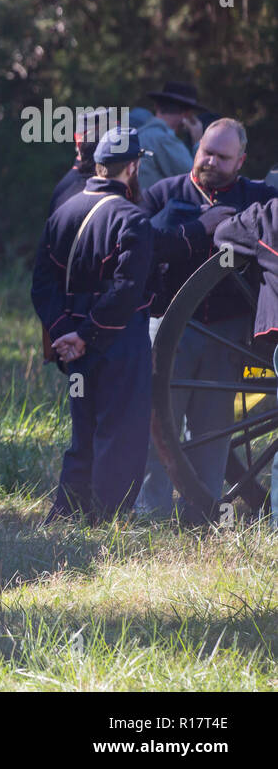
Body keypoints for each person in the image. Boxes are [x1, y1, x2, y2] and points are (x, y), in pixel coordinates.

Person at [137, 118, 274, 521]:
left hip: (228, 330)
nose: (211, 161)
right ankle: (151, 515)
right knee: (158, 425)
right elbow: (139, 245)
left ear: (241, 160)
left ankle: (202, 516)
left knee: (213, 430)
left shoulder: (258, 198)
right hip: (168, 326)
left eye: (222, 156)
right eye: (205, 152)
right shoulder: (164, 193)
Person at [32, 127, 155, 523]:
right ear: (132, 167)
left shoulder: (62, 212)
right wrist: (86, 337)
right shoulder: (134, 219)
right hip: (118, 343)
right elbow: (126, 291)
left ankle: (68, 514)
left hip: (73, 343)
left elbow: (42, 285)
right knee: (120, 431)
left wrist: (65, 332)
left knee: (82, 431)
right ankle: (107, 521)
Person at [137, 81, 207, 190]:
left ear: (157, 106)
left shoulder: (140, 134)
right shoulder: (165, 139)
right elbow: (198, 179)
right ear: (187, 114)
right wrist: (199, 142)